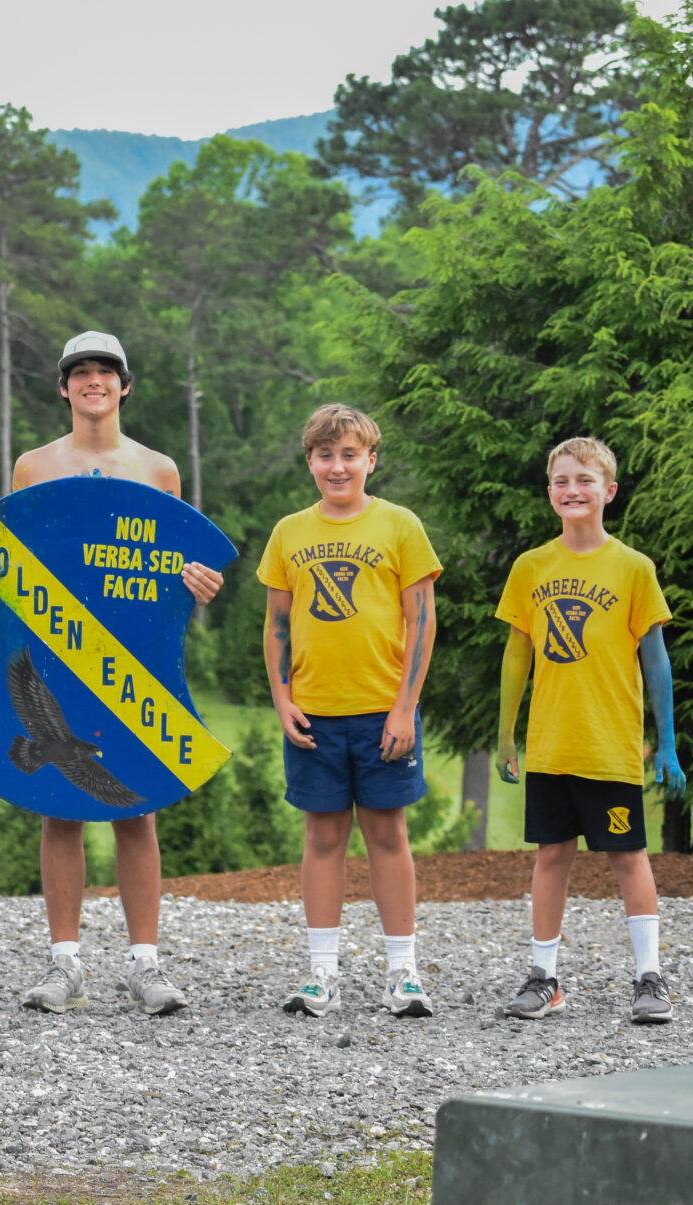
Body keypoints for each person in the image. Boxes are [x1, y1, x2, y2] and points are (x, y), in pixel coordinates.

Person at [0, 331, 224, 1016]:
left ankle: (146, 965)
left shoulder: (158, 468)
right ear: (63, 387)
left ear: (125, 385)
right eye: (80, 372)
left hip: (133, 657)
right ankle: (65, 963)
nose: (93, 381)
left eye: (106, 371)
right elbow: (17, 557)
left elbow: (173, 565)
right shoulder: (33, 465)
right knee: (60, 805)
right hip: (56, 651)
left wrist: (197, 582)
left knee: (136, 805)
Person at [257, 403, 439, 1019]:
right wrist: (282, 700)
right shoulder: (289, 532)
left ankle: (403, 974)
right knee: (324, 837)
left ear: (371, 460)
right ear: (310, 461)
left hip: (384, 710)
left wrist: (404, 709)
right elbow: (277, 624)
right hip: (314, 714)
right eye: (326, 455)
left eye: (350, 455)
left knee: (388, 835)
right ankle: (321, 975)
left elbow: (422, 619)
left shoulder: (401, 526)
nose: (338, 466)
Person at [495, 437, 683, 1024]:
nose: (572, 490)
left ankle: (649, 978)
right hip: (551, 744)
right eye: (561, 481)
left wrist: (669, 743)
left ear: (609, 491)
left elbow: (656, 661)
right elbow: (516, 657)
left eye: (584, 480)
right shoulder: (531, 567)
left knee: (628, 856)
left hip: (610, 745)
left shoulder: (632, 568)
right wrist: (506, 735)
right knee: (552, 855)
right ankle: (545, 977)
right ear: (549, 491)